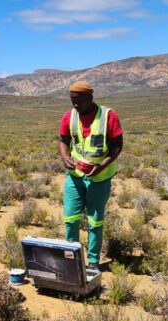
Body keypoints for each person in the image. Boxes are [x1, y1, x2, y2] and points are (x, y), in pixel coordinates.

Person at [57, 81, 123, 270]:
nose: (76, 105)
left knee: (95, 222)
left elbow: (118, 145)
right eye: (72, 101)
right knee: (70, 219)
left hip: (99, 179)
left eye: (79, 101)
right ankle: (72, 260)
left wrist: (102, 166)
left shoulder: (108, 116)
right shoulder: (69, 116)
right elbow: (63, 140)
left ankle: (93, 261)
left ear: (90, 97)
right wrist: (64, 157)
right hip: (75, 177)